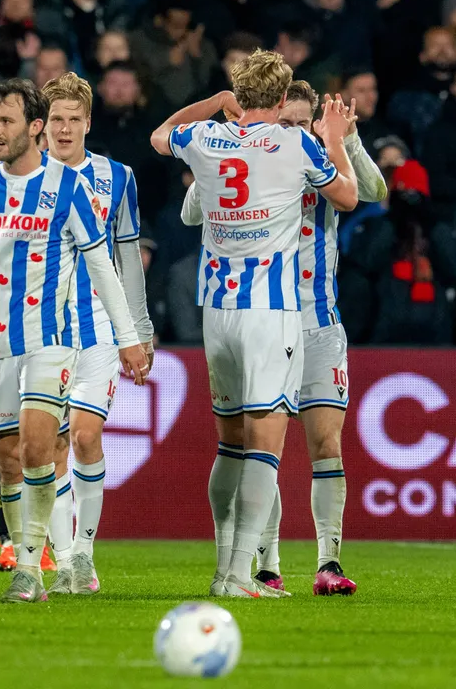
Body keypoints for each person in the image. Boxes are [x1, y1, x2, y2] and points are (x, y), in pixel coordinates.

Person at [0, 78, 149, 604]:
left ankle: (33, 567)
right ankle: (58, 558)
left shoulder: (69, 189)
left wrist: (130, 337)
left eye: (7, 121)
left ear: (34, 127)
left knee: (40, 446)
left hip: (51, 340)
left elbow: (102, 267)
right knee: (8, 457)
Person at [150, 50, 358, 598]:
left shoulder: (207, 140)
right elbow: (349, 196)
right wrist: (335, 137)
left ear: (238, 95)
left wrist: (216, 105)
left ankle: (224, 567)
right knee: (266, 446)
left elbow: (159, 135)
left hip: (216, 313)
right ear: (282, 90)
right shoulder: (296, 143)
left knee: (230, 445)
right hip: (272, 313)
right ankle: (241, 575)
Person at [37, 72, 153, 595]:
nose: (64, 129)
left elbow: (126, 253)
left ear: (88, 122)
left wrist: (139, 328)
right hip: (40, 328)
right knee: (52, 445)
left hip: (100, 326)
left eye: (73, 119)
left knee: (85, 435)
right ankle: (64, 559)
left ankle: (83, 552)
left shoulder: (117, 176)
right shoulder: (25, 178)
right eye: (56, 119)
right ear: (43, 125)